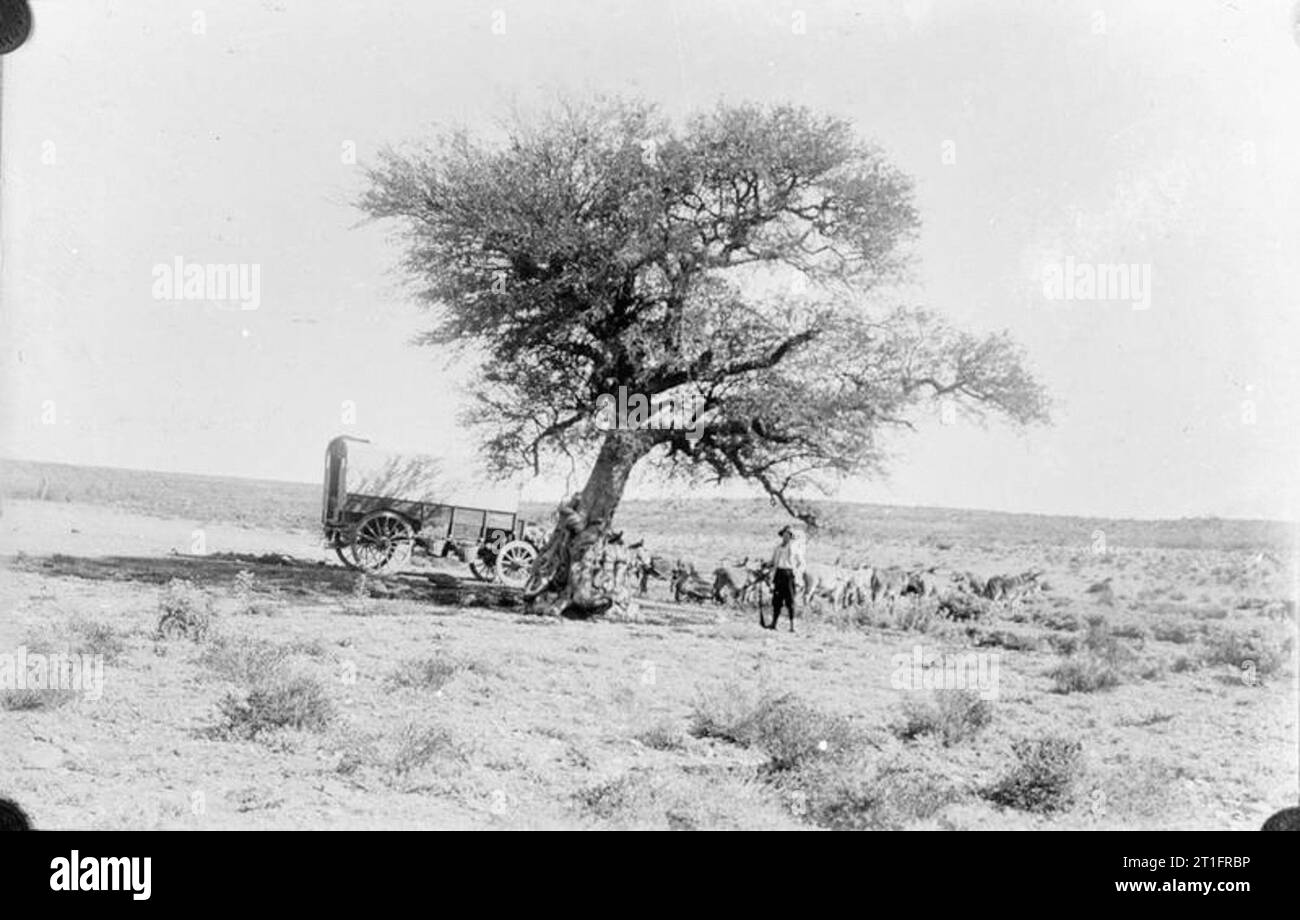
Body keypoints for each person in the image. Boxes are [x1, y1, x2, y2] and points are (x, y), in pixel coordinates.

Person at [767, 524, 804, 632]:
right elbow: (773, 561)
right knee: (776, 600)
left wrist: (796, 574)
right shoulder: (778, 548)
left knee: (790, 600)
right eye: (784, 534)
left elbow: (801, 562)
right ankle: (774, 624)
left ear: (791, 536)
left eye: (788, 534)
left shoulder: (794, 547)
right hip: (778, 573)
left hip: (789, 574)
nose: (786, 536)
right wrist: (767, 565)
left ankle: (793, 626)